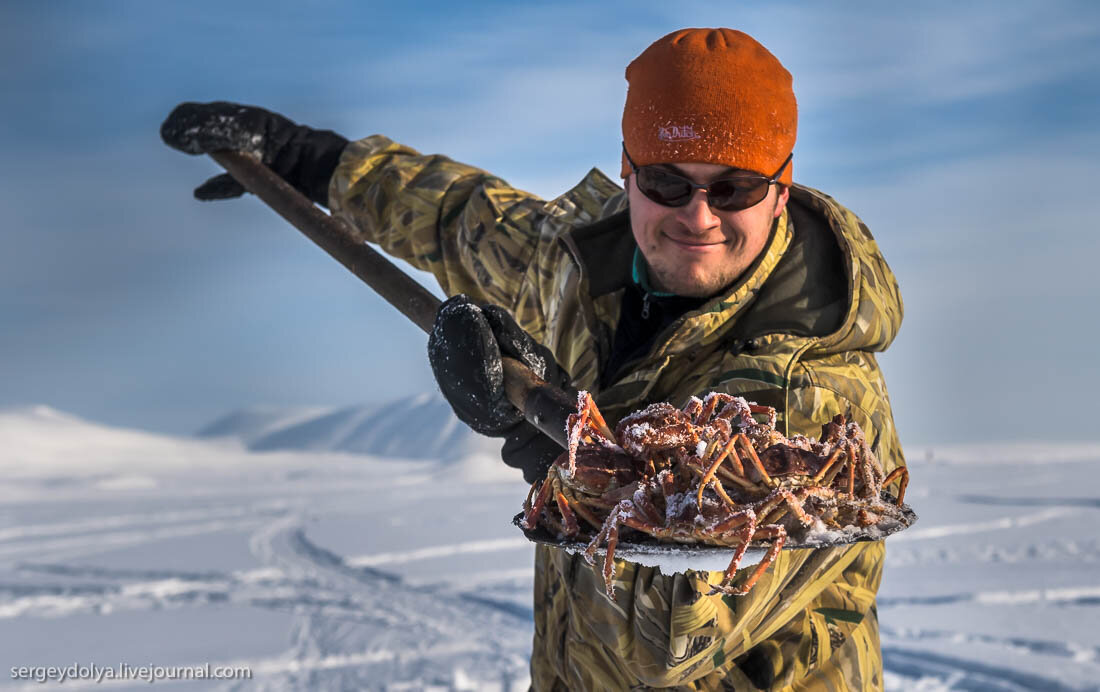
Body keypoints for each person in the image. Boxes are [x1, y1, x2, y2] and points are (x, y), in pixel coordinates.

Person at [162, 27, 904, 691]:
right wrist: (310, 163)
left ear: (781, 188)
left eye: (733, 187)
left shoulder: (813, 399)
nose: (697, 215)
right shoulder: (580, 269)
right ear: (627, 170)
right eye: (668, 181)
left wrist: (566, 464)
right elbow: (461, 221)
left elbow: (671, 638)